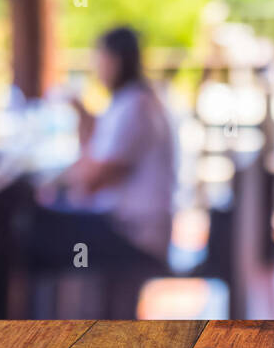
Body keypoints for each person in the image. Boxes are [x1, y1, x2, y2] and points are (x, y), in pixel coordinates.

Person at [30, 25, 177, 273]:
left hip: (135, 234)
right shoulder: (132, 101)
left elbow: (91, 181)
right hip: (130, 225)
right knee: (40, 221)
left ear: (115, 61)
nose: (96, 68)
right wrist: (81, 114)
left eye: (99, 58)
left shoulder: (135, 107)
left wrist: (48, 184)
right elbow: (94, 159)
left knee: (31, 231)